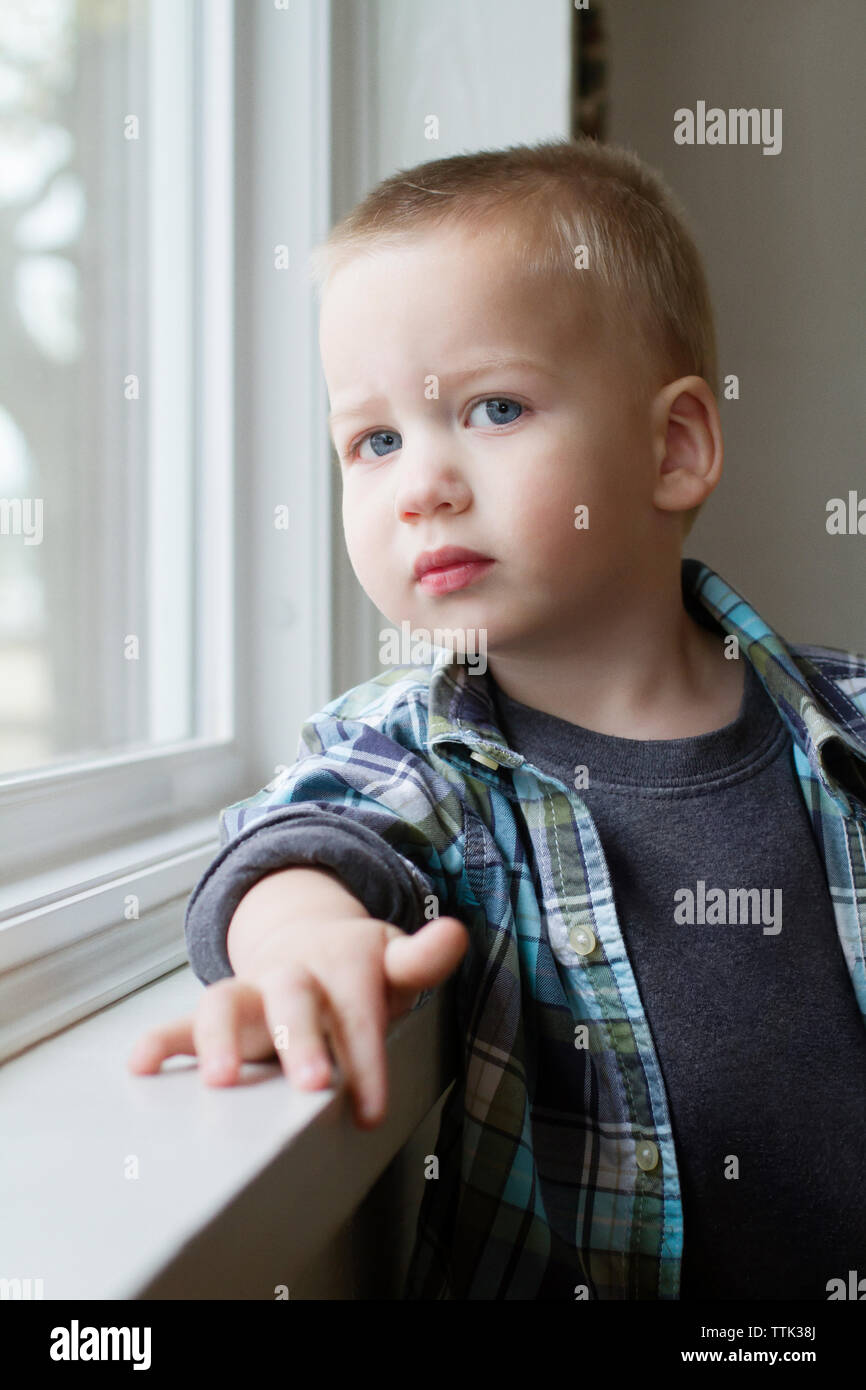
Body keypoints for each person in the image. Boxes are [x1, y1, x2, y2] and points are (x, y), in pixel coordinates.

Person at [128, 138, 866, 1300]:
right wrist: (300, 945)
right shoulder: (423, 756)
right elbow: (300, 839)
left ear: (671, 447)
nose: (419, 482)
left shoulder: (846, 727)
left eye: (492, 407)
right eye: (373, 439)